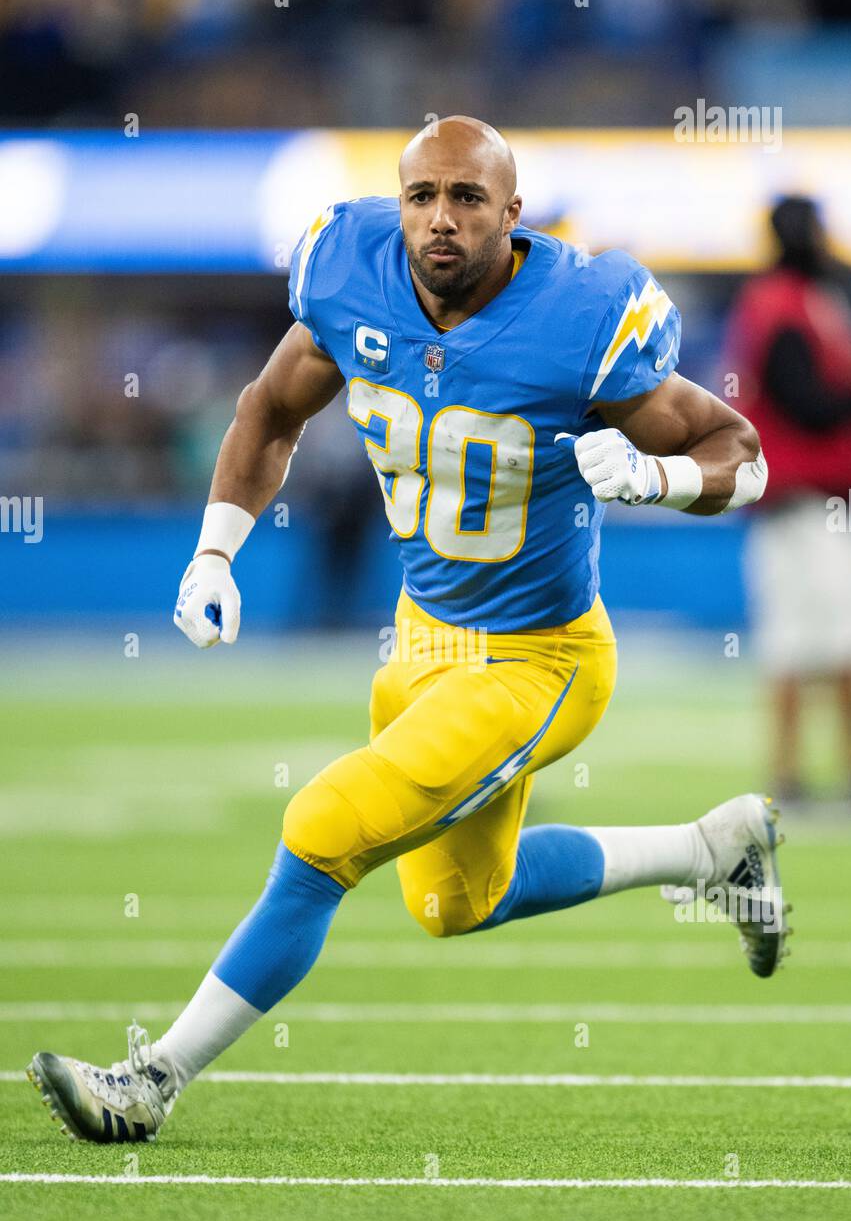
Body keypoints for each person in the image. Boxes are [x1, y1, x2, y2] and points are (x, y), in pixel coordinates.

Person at [28, 117, 786, 1144]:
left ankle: (151, 1078)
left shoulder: (578, 313)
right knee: (456, 901)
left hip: (537, 659)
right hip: (420, 636)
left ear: (510, 215)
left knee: (325, 828)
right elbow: (266, 411)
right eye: (423, 194)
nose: (441, 218)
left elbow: (739, 455)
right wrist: (213, 551)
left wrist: (654, 477)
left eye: (468, 199)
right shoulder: (348, 271)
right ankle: (712, 849)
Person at [726, 196, 851, 804]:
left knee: (828, 639)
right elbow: (807, 406)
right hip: (798, 501)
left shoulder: (804, 300)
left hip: (816, 500)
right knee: (816, 640)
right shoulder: (781, 305)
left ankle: (825, 770)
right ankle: (808, 772)